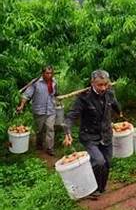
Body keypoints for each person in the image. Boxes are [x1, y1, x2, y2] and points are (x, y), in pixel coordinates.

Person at [63, 70, 122, 198]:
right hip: (89, 136)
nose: (103, 88)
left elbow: (115, 105)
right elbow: (70, 116)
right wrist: (67, 131)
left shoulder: (109, 93)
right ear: (92, 83)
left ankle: (100, 188)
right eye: (99, 85)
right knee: (98, 161)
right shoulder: (84, 98)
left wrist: (120, 113)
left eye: (105, 84)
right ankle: (91, 188)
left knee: (107, 163)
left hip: (106, 134)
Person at [16, 65, 58, 156]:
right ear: (42, 73)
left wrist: (57, 100)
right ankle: (39, 144)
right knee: (40, 130)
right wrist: (21, 106)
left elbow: (55, 94)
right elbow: (26, 95)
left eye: (51, 73)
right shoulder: (35, 83)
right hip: (39, 110)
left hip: (51, 110)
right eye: (47, 73)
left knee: (50, 129)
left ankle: (50, 148)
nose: (49, 75)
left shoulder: (54, 82)